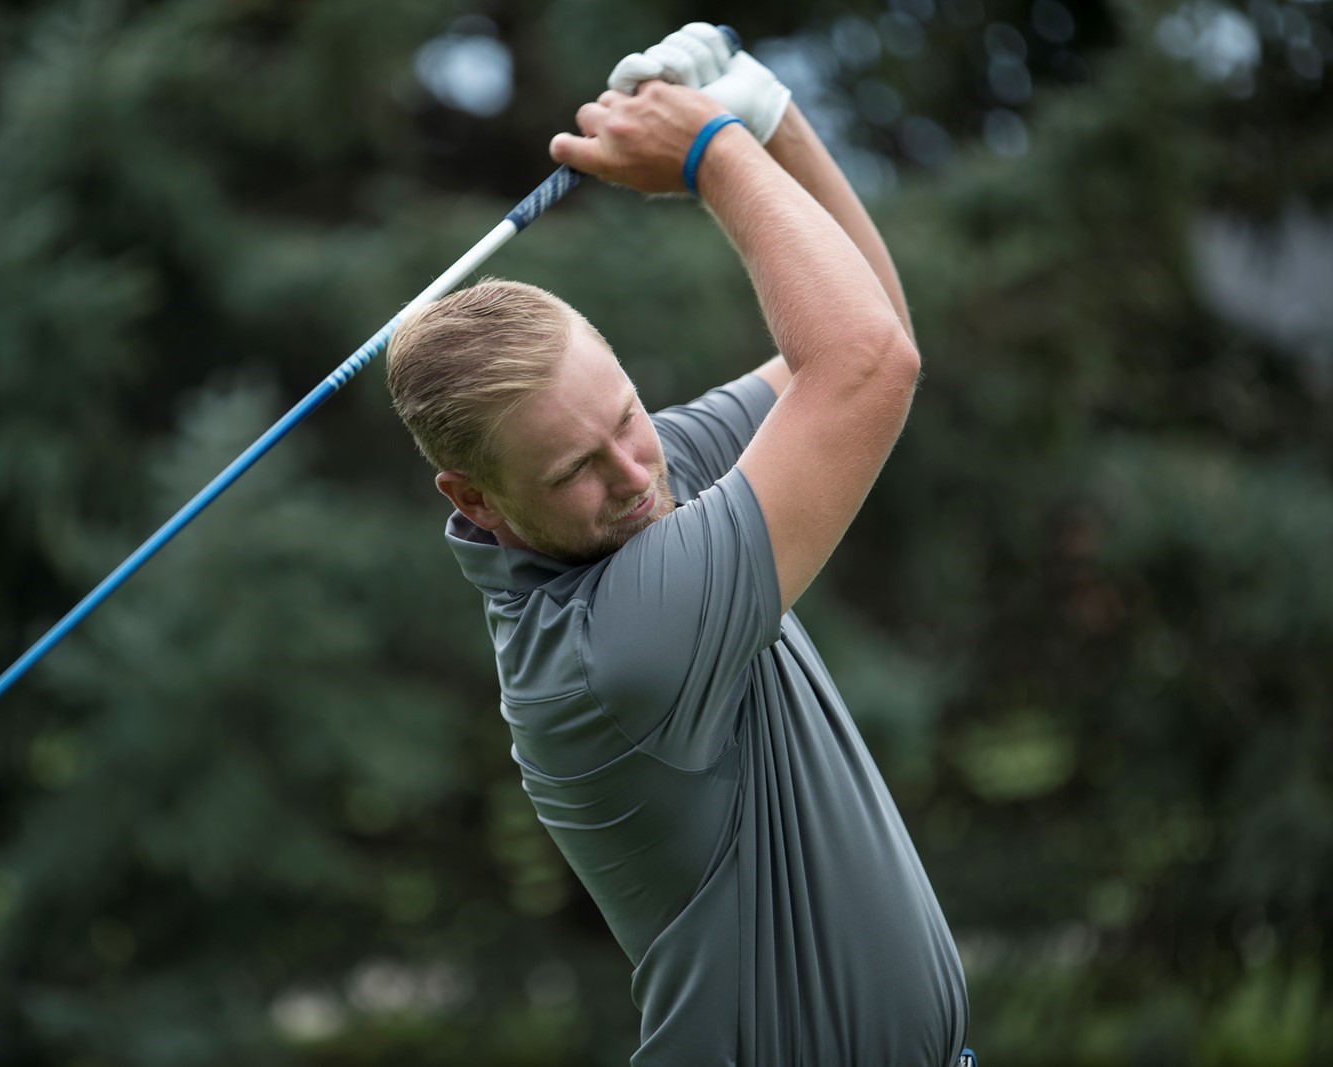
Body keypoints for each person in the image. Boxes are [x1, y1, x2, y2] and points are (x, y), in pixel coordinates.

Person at [386, 23, 970, 1067]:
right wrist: (709, 154)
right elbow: (868, 366)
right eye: (573, 469)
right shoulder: (611, 648)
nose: (632, 471)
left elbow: (864, 321)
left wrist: (765, 117)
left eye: (624, 414)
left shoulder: (647, 480)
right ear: (475, 501)